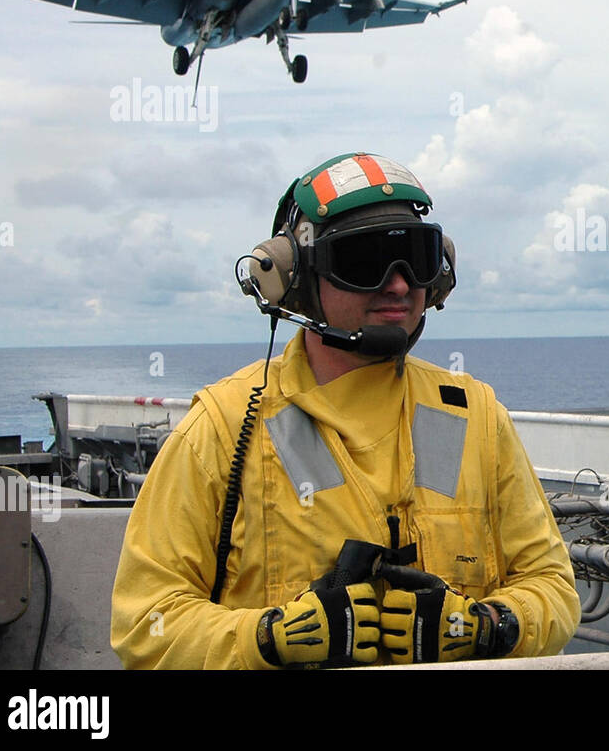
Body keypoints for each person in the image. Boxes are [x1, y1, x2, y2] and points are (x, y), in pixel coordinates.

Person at [110, 152, 580, 668]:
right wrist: (265, 639)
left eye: (415, 258)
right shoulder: (223, 427)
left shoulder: (474, 416)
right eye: (366, 261)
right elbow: (144, 624)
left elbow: (551, 587)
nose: (399, 284)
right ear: (295, 278)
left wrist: (490, 627)